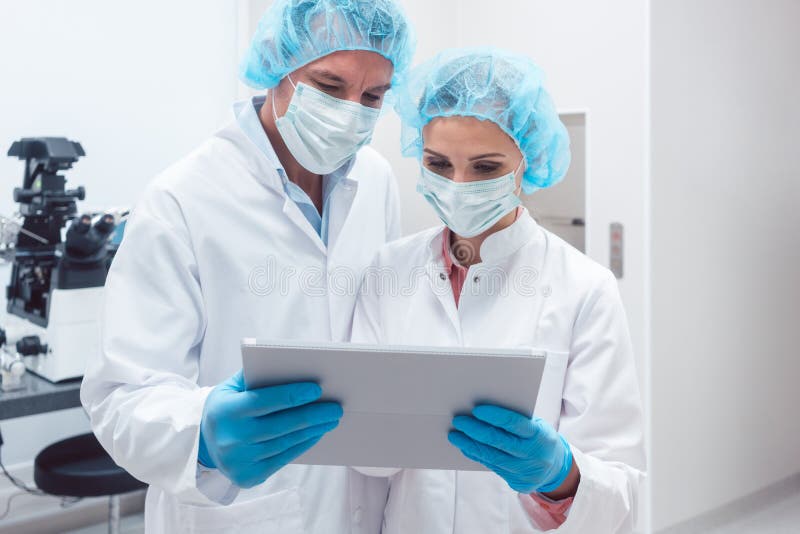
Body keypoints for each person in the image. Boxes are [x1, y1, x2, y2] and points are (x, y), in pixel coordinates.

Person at [80, 1, 414, 533]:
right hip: (240, 510)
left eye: (372, 96)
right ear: (277, 69)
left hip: (362, 502)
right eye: (329, 86)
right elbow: (122, 397)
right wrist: (204, 437)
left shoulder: (375, 181)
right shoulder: (182, 198)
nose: (351, 110)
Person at [351, 48, 646, 533]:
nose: (459, 184)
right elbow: (369, 456)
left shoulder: (585, 289)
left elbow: (617, 490)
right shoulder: (390, 270)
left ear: (526, 161)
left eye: (485, 167)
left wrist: (559, 475)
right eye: (438, 164)